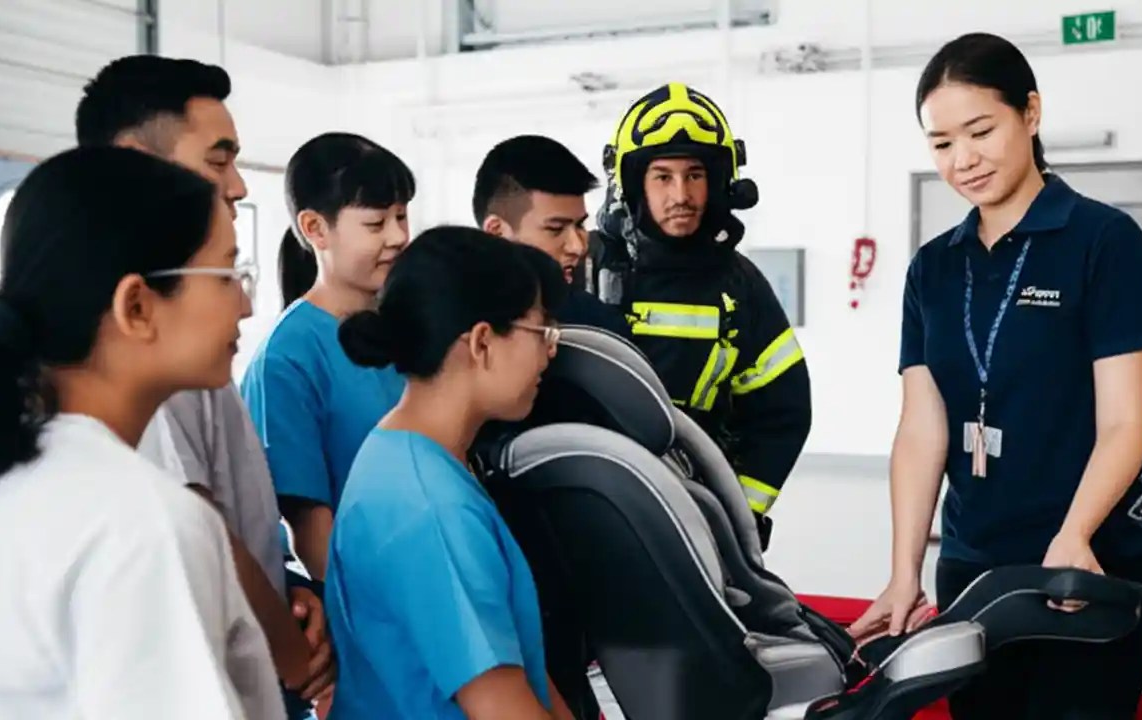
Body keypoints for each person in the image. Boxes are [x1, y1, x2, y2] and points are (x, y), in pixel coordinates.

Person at [848, 32, 1142, 719]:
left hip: (1084, 560)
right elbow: (922, 429)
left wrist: (1075, 534)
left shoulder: (1103, 241)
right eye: (941, 143)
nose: (962, 159)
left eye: (980, 131)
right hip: (974, 566)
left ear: (1031, 113)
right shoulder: (934, 268)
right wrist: (904, 572)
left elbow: (1124, 423)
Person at [0, 145, 283, 719]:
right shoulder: (140, 521)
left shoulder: (19, 467)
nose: (245, 304)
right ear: (138, 307)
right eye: (227, 275)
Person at [75, 55, 334, 717]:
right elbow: (197, 521)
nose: (239, 186)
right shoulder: (141, 336)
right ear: (137, 162)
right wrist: (293, 652)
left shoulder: (190, 325)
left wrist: (286, 587)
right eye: (218, 161)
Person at [324, 225, 575, 720]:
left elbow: (516, 669)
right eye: (540, 331)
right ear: (482, 342)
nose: (550, 350)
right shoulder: (431, 506)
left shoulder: (409, 458)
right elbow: (500, 708)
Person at [583, 82, 812, 549]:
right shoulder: (583, 267)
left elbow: (783, 411)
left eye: (694, 175)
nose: (681, 194)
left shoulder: (741, 286)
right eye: (662, 177)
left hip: (696, 520)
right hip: (590, 509)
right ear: (632, 183)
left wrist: (737, 514)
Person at [240, 132, 413, 586]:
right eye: (376, 224)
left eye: (401, 216)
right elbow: (313, 536)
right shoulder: (288, 358)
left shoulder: (406, 326)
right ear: (315, 228)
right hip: (373, 600)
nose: (398, 236)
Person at [473, 134, 628, 336]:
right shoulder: (445, 323)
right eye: (555, 229)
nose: (578, 247)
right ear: (497, 232)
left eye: (580, 225)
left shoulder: (599, 327)